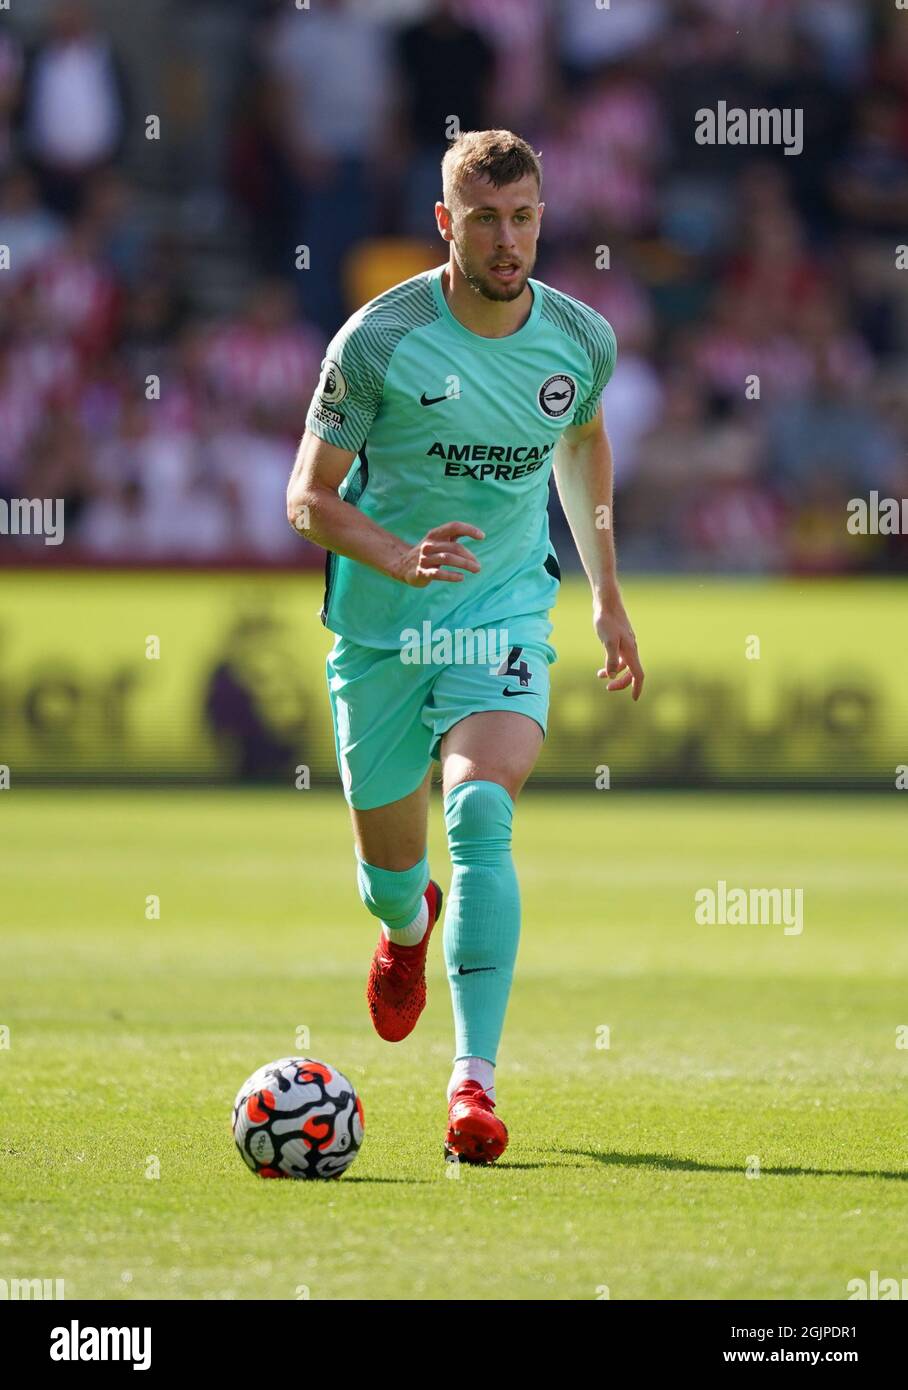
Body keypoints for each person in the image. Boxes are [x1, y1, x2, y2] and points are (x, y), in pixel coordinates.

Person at [286, 129, 644, 1164]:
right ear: (445, 222)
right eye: (483, 217)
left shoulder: (579, 340)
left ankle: (470, 1087)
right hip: (379, 627)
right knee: (389, 875)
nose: (506, 238)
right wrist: (395, 556)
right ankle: (407, 927)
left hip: (498, 614)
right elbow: (305, 500)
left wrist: (605, 593)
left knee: (480, 809)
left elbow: (580, 441)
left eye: (522, 216)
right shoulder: (377, 338)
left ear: (541, 218)